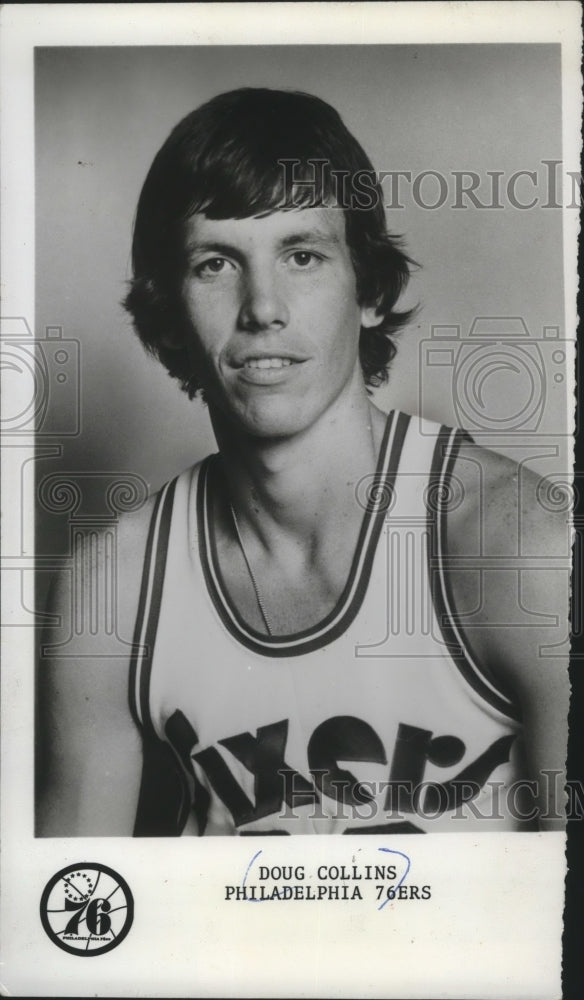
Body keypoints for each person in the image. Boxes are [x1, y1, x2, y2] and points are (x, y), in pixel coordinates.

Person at [37, 88, 569, 837]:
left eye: (303, 256)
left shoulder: (521, 545)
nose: (263, 307)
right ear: (171, 311)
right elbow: (76, 901)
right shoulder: (113, 587)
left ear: (370, 291)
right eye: (215, 263)